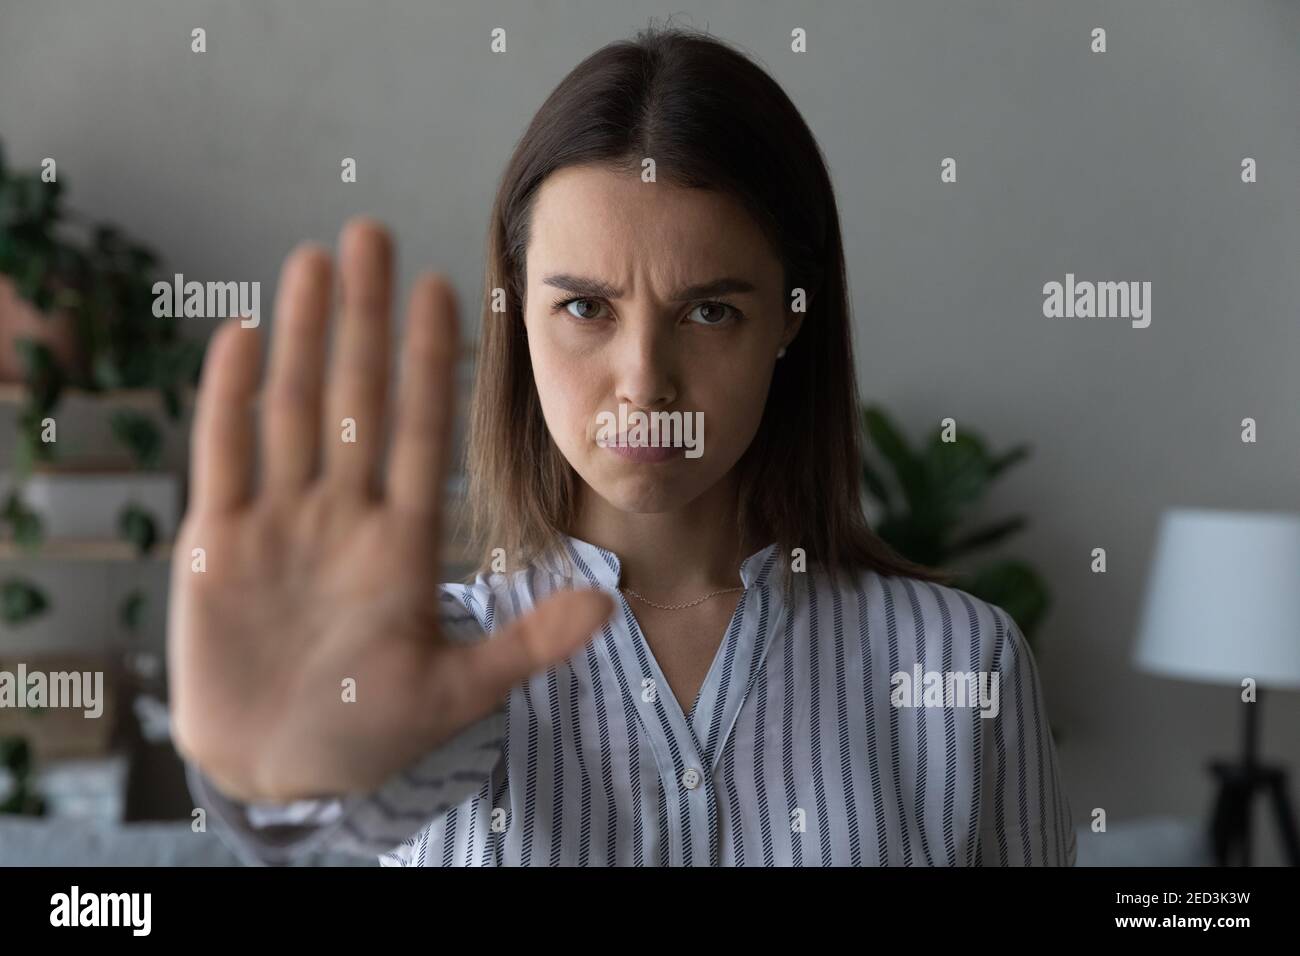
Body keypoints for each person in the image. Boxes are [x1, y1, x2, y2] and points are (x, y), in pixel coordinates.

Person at [171, 25, 1075, 866]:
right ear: (517, 313)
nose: (645, 381)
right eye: (585, 308)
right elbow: (332, 784)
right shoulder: (430, 661)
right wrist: (269, 780)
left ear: (792, 320)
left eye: (710, 311)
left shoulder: (962, 664)